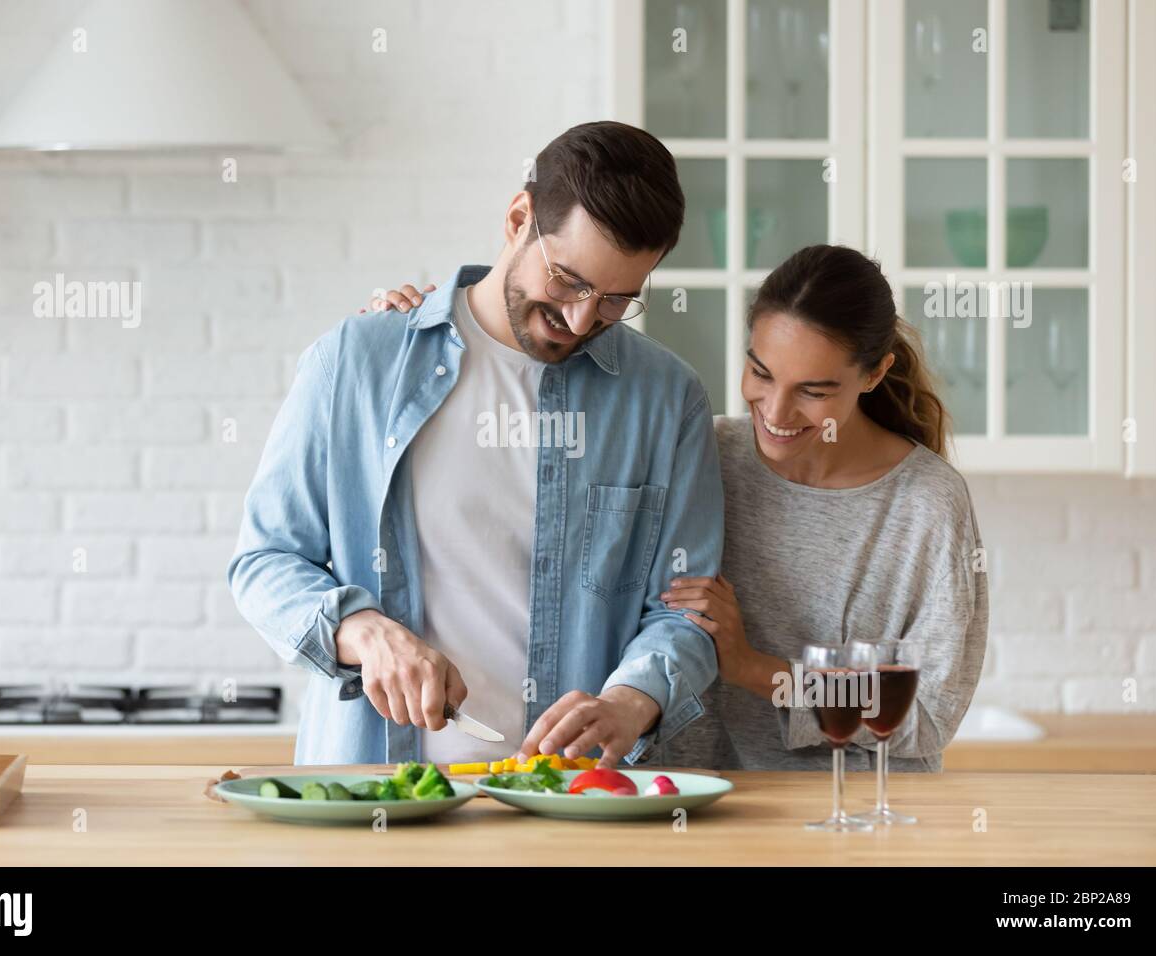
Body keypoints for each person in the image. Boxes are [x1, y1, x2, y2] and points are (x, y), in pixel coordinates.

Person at [371, 244, 987, 772]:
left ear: (875, 373)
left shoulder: (927, 505)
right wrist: (426, 330)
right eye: (760, 373)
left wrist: (754, 669)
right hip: (677, 808)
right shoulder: (704, 449)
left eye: (814, 391)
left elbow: (928, 715)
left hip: (847, 820)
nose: (774, 411)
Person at [228, 121, 725, 768]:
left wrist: (634, 700)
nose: (580, 321)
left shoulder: (666, 399)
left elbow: (684, 609)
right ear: (519, 218)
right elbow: (264, 562)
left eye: (613, 301)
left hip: (568, 804)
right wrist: (364, 632)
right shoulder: (357, 363)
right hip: (374, 792)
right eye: (569, 282)